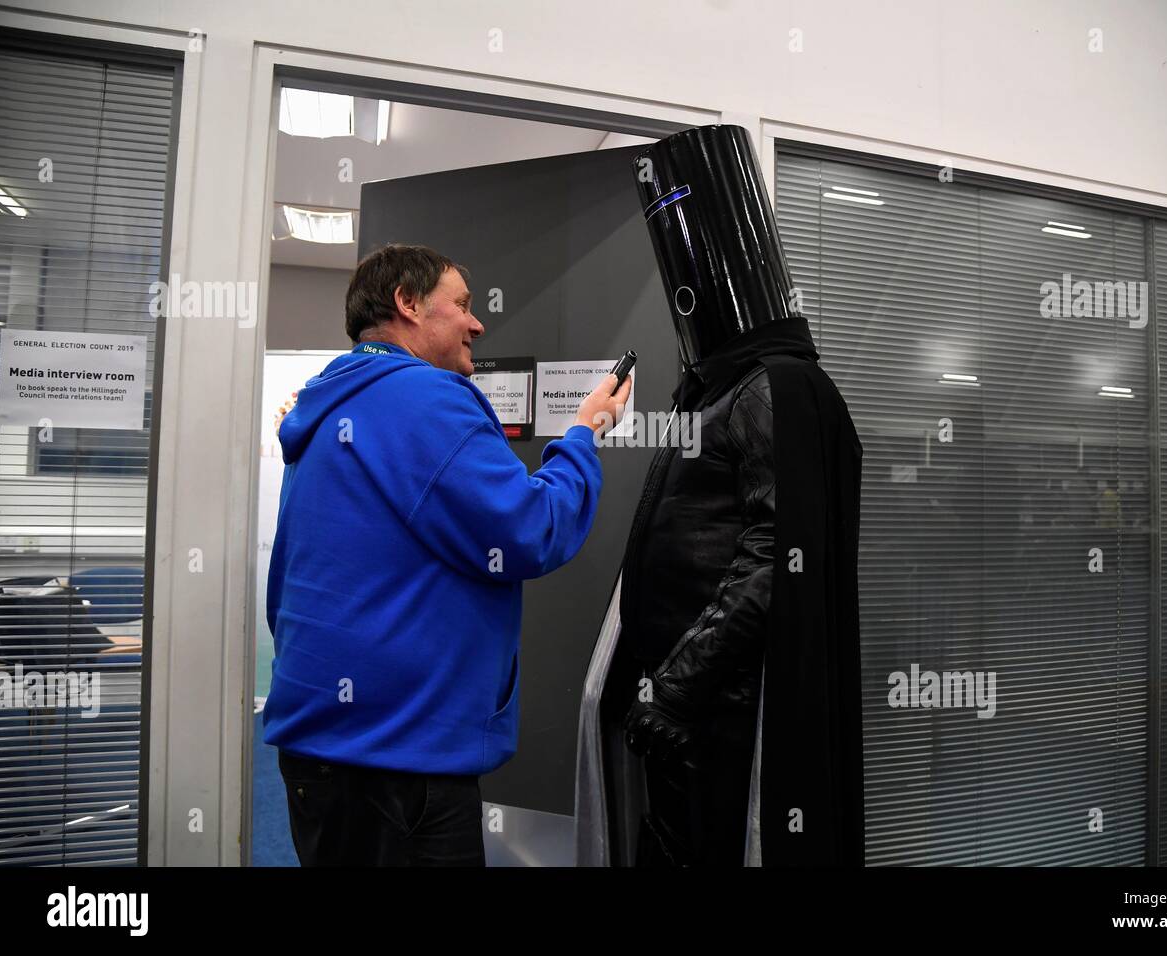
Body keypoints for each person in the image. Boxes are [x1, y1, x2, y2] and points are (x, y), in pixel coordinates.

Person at [264, 243, 630, 866]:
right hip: (398, 759)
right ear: (407, 304)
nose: (477, 322)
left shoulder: (328, 407)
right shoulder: (426, 399)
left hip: (322, 749)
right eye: (460, 305)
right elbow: (532, 527)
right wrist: (584, 431)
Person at [576, 125, 862, 867]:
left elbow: (776, 555)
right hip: (686, 714)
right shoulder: (728, 387)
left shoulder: (777, 388)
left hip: (720, 715)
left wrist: (677, 687)